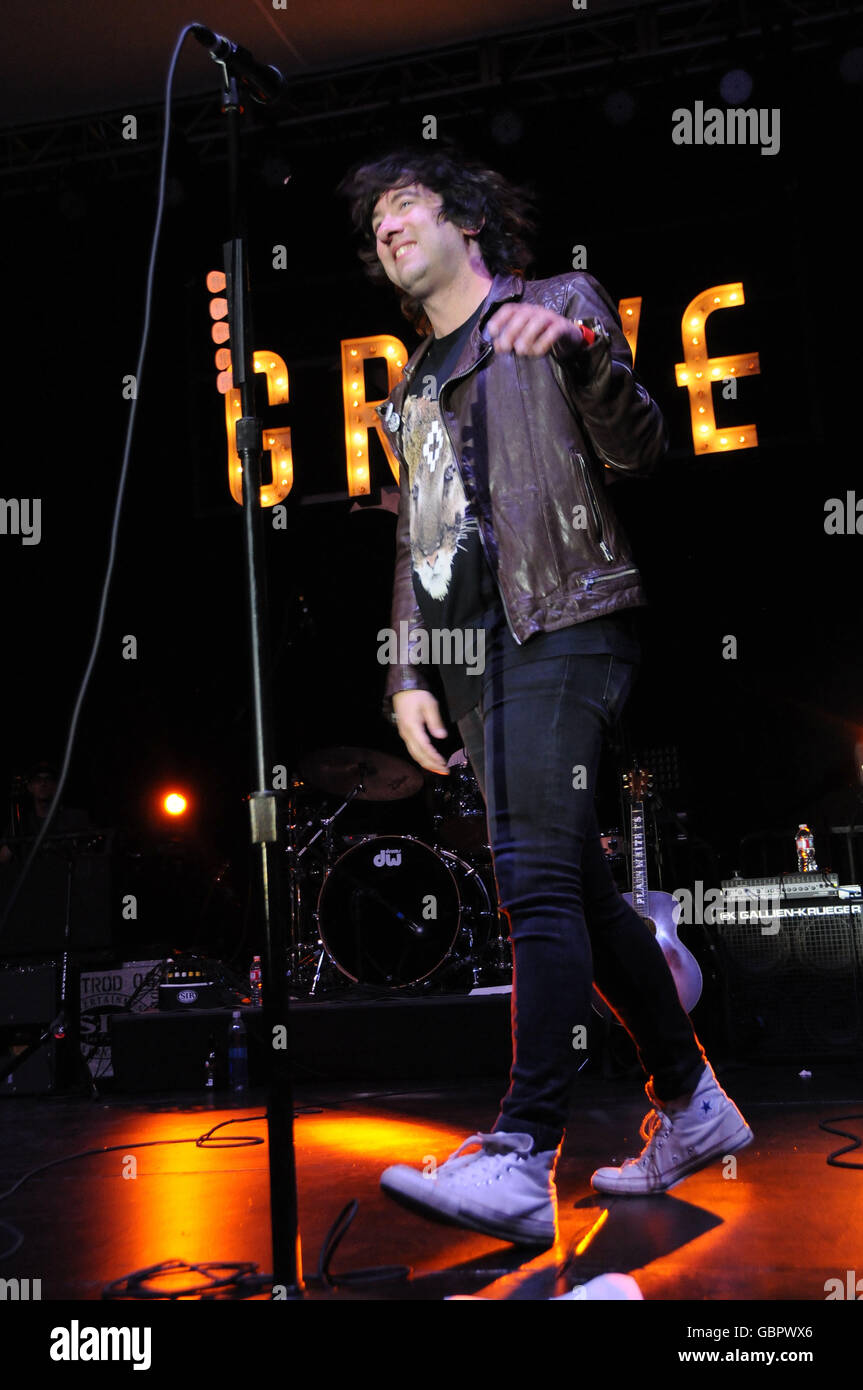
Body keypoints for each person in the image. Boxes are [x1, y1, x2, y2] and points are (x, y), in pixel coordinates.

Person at [340, 148, 752, 1246]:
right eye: (375, 219)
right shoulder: (409, 385)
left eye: (406, 206)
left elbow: (639, 446)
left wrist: (578, 360)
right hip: (474, 662)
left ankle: (523, 1153)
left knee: (531, 887)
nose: (386, 227)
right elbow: (414, 548)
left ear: (465, 222)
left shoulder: (554, 306)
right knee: (582, 893)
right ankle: (692, 1101)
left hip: (565, 620)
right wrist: (405, 671)